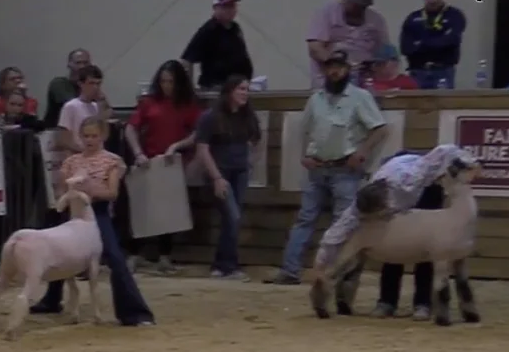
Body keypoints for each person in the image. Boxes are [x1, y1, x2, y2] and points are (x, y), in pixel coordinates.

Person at [309, 145, 474, 319]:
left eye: (380, 214)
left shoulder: (414, 176)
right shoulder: (358, 210)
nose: (379, 218)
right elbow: (333, 236)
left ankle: (423, 303)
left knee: (428, 242)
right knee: (390, 239)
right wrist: (319, 267)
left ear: (387, 204)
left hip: (427, 186)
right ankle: (387, 301)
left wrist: (469, 162)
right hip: (394, 183)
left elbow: (444, 150)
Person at [275, 49, 388, 285]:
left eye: (339, 66)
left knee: (341, 222)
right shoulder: (316, 98)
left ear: (347, 69)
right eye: (330, 67)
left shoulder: (360, 97)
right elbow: (304, 129)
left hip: (345, 170)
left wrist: (362, 151)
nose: (334, 71)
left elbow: (380, 128)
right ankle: (290, 270)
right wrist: (305, 154)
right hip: (318, 167)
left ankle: (335, 274)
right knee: (308, 219)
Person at [58, 117, 155, 326]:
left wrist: (88, 188)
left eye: (94, 136)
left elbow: (112, 193)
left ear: (103, 136)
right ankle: (50, 300)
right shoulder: (71, 162)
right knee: (58, 251)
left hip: (97, 213)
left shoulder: (111, 161)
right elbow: (61, 189)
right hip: (73, 212)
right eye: (85, 136)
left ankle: (134, 312)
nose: (89, 140)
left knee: (115, 258)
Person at [124, 60, 204, 272]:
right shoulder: (148, 102)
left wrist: (177, 146)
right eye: (163, 81)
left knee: (169, 213)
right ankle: (134, 253)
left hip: (171, 164)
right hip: (147, 162)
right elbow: (131, 128)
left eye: (171, 82)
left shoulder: (188, 105)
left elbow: (198, 133)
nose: (166, 86)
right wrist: (138, 153)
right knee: (142, 210)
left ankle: (164, 256)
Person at [192, 75, 261, 281]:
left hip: (240, 172)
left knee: (231, 219)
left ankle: (220, 265)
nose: (245, 93)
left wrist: (251, 162)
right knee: (233, 216)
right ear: (230, 91)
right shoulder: (211, 117)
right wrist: (216, 178)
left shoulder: (247, 116)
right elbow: (202, 149)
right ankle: (229, 265)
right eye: (241, 89)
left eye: (247, 89)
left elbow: (257, 140)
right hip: (220, 173)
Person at [306, 0, 389, 89]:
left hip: (363, 80)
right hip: (330, 80)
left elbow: (385, 51)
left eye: (363, 5)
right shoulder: (327, 12)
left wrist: (376, 65)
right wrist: (336, 64)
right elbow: (314, 47)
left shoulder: (376, 20)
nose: (359, 8)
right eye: (356, 4)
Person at [399, 0, 464, 89]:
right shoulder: (413, 18)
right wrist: (437, 42)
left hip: (443, 72)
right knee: (416, 105)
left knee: (444, 105)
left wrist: (420, 44)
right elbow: (405, 48)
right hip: (417, 73)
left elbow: (451, 41)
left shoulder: (454, 15)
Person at [181, 0, 253, 91]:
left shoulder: (235, 29)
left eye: (232, 6)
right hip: (215, 89)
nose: (229, 9)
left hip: (237, 88)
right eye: (225, 6)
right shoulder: (208, 30)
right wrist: (189, 90)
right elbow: (187, 60)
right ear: (215, 8)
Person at [43, 49, 92, 128]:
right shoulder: (58, 84)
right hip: (56, 131)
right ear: (69, 64)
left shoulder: (90, 86)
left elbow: (106, 111)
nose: (82, 66)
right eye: (78, 63)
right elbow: (75, 106)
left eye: (85, 63)